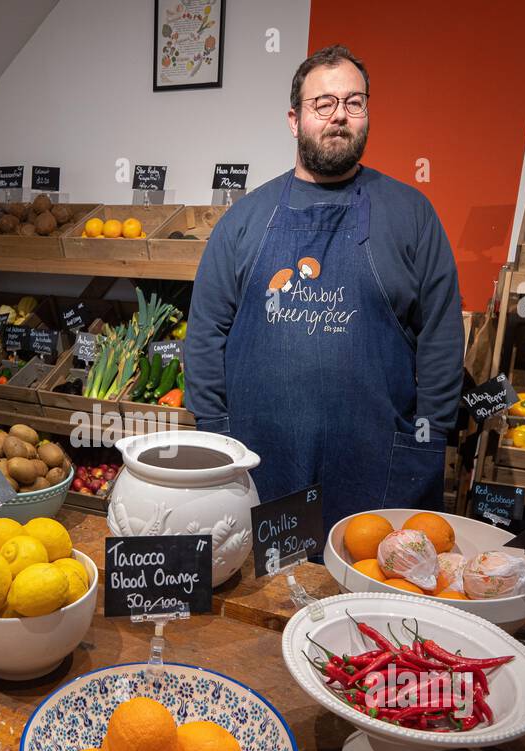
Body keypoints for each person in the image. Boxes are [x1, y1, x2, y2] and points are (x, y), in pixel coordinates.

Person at [186, 44, 463, 530]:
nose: (340, 116)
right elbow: (206, 334)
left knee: (371, 598)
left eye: (354, 103)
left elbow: (441, 336)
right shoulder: (245, 219)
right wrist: (215, 433)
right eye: (324, 104)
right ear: (295, 120)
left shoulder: (411, 213)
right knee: (265, 596)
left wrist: (429, 435)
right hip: (260, 462)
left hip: (378, 464)